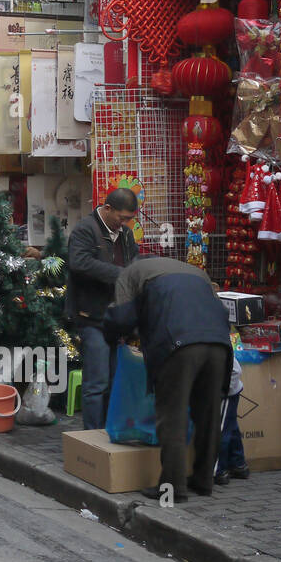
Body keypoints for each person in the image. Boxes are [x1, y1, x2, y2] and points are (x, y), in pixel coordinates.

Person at [104, 256, 232, 501]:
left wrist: (114, 338)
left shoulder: (130, 273)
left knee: (172, 416)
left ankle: (173, 489)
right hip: (219, 344)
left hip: (178, 344)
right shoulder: (196, 273)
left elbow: (120, 318)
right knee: (208, 414)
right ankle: (204, 480)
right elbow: (221, 311)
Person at [66, 188, 139, 429]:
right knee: (96, 383)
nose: (125, 223)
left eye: (128, 218)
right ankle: (92, 438)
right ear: (107, 209)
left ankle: (109, 433)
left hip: (116, 318)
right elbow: (80, 263)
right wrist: (122, 275)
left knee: (114, 381)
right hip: (91, 315)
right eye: (122, 217)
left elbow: (133, 264)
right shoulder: (86, 229)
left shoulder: (126, 234)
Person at [215, 355, 249, 485]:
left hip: (226, 393)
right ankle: (238, 464)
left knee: (222, 429)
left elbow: (236, 371)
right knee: (230, 426)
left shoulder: (215, 343)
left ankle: (219, 471)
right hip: (228, 390)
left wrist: (223, 391)